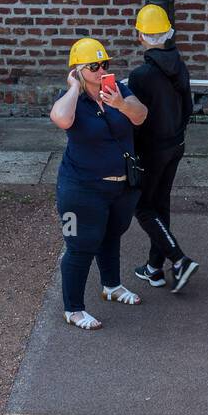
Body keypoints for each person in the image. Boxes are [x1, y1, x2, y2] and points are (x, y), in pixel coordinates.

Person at [50, 37, 149, 329]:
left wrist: (120, 103)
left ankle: (111, 286)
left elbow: (141, 115)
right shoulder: (71, 99)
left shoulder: (118, 90)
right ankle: (73, 308)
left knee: (111, 236)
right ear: (77, 70)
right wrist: (74, 88)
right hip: (80, 189)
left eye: (104, 64)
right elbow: (61, 119)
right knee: (80, 246)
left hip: (120, 186)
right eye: (92, 66)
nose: (100, 69)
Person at [128, 4, 199, 294]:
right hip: (175, 145)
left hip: (152, 150)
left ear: (141, 36)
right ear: (167, 33)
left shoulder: (140, 75)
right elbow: (189, 107)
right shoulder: (179, 65)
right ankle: (154, 268)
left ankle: (179, 259)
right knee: (161, 204)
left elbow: (136, 118)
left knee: (142, 206)